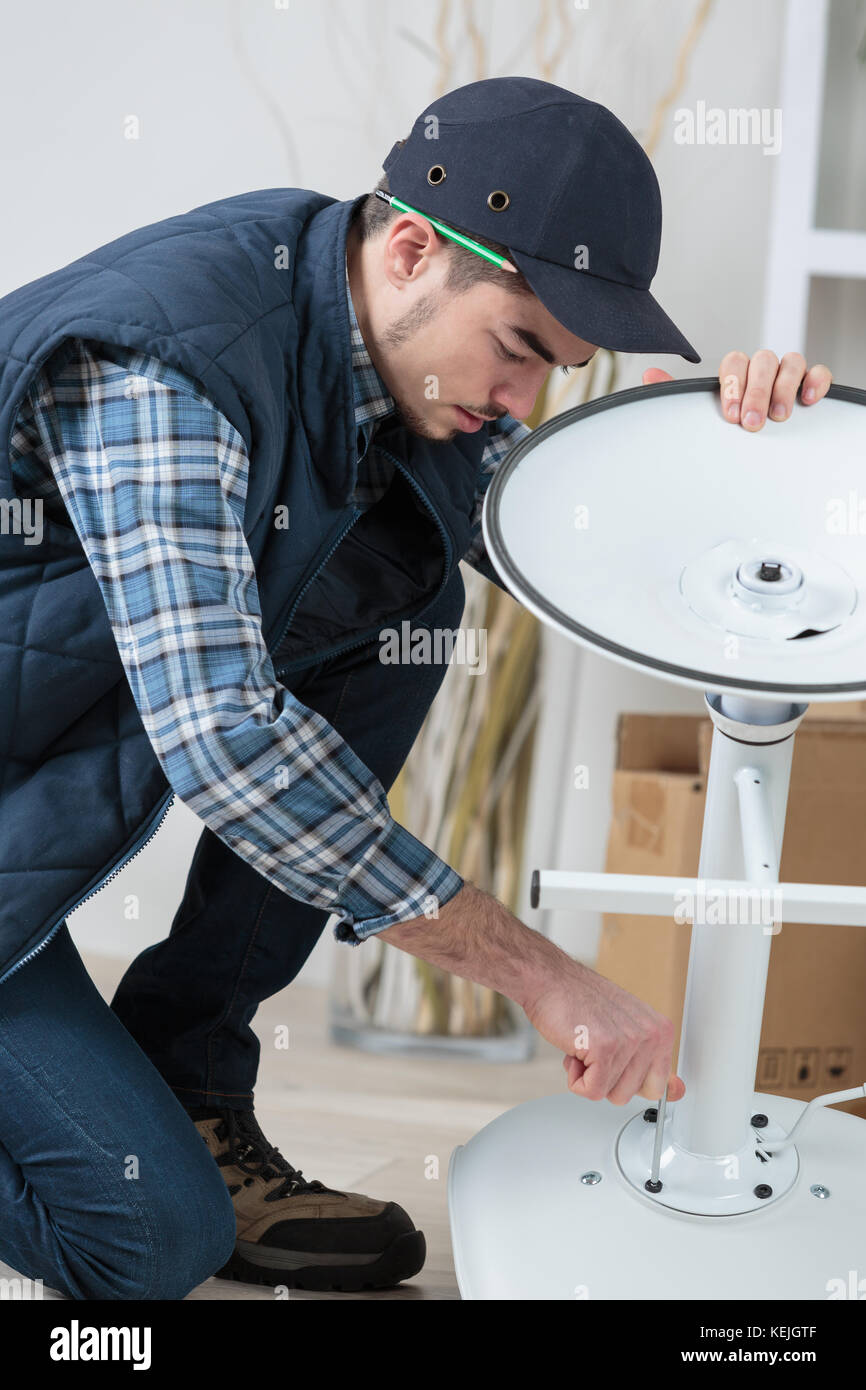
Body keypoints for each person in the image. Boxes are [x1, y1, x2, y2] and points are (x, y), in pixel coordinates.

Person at [0, 76, 833, 1300]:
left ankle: (193, 1097)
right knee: (142, 1243)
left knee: (403, 590)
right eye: (516, 351)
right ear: (408, 249)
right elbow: (225, 741)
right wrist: (543, 973)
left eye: (555, 370)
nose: (519, 402)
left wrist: (744, 458)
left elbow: (568, 538)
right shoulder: (163, 367)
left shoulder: (386, 356)